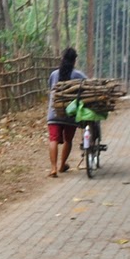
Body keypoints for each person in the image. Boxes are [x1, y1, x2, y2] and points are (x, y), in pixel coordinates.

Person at [47, 47, 87, 177]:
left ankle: (53, 168)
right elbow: (88, 85)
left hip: (54, 113)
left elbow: (50, 88)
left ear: (62, 59)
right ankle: (62, 165)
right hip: (70, 114)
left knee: (53, 139)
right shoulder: (78, 75)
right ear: (74, 61)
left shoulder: (54, 74)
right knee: (67, 140)